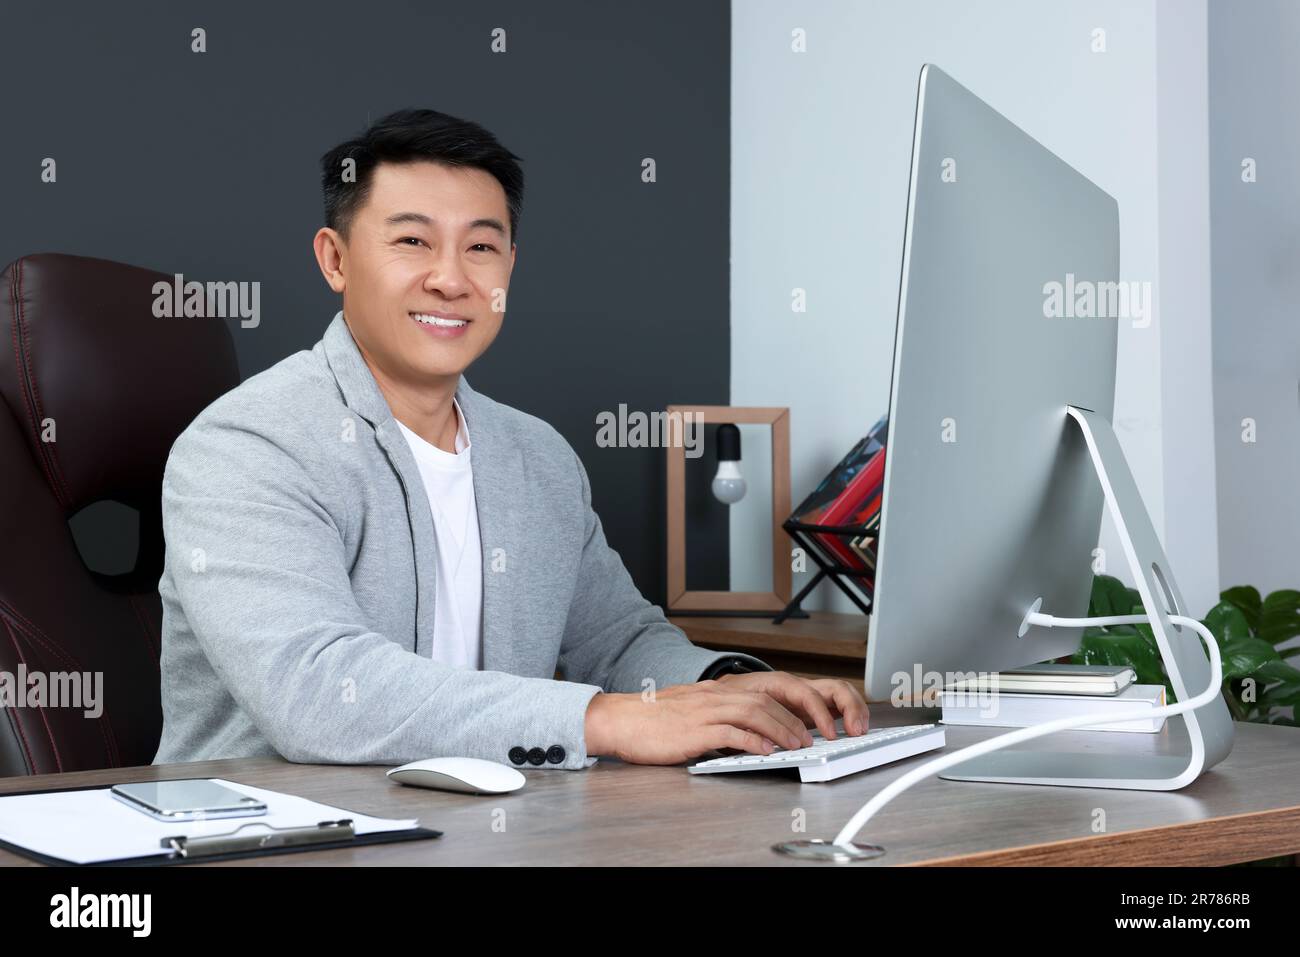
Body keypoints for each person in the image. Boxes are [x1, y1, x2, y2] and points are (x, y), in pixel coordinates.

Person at [153, 108, 870, 771]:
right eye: (411, 240)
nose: (451, 278)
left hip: (480, 835)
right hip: (264, 840)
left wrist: (736, 691)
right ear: (335, 259)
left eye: (482, 247)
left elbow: (618, 640)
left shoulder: (540, 458)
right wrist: (601, 720)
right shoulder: (247, 446)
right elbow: (314, 690)